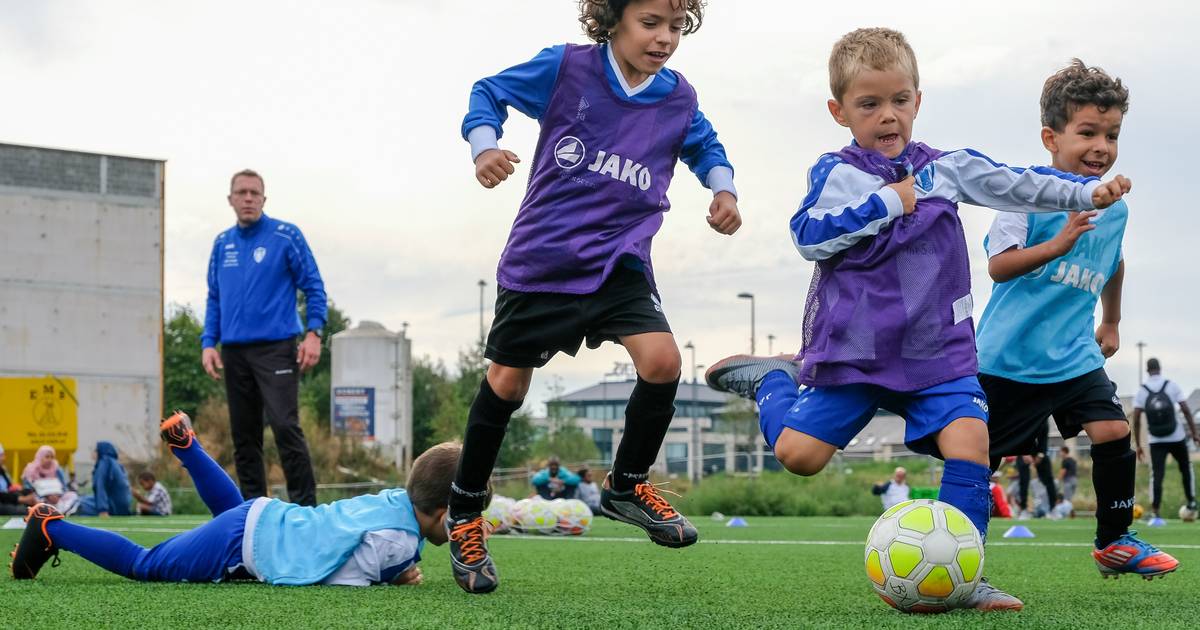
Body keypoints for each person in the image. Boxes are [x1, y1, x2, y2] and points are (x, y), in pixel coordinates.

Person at [706, 28, 1129, 612]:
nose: (888, 115)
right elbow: (808, 236)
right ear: (840, 111)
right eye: (869, 104)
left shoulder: (945, 169)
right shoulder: (837, 174)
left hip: (938, 351)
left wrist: (1088, 194)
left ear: (918, 102)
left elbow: (1015, 181)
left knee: (971, 440)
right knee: (799, 458)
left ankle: (966, 573)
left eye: (900, 101)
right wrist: (889, 202)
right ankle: (775, 381)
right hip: (858, 352)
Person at [447, 0, 741, 594]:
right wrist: (484, 146)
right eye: (650, 23)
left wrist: (724, 189)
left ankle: (627, 486)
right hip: (544, 259)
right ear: (613, 19)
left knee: (663, 361)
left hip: (619, 260)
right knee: (508, 384)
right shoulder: (567, 69)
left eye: (676, 28)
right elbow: (488, 91)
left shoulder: (677, 97)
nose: (664, 38)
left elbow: (705, 145)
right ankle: (464, 515)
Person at [973, 59, 1177, 579]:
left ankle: (1114, 542)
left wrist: (1111, 322)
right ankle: (959, 555)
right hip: (1007, 359)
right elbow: (999, 267)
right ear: (1051, 137)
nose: (1101, 147)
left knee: (1112, 431)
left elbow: (1115, 260)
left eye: (1111, 135)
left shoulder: (1116, 208)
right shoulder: (1022, 193)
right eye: (1087, 132)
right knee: (977, 459)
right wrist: (1059, 242)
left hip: (1073, 356)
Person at [11, 412, 454, 588]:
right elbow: (345, 572)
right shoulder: (399, 542)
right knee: (143, 565)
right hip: (245, 543)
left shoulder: (397, 499)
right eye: (463, 518)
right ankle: (52, 528)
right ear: (441, 511)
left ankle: (186, 445)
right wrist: (392, 577)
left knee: (235, 512)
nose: (464, 529)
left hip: (266, 518)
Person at [201, 169, 326, 507]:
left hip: (276, 349)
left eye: (254, 193)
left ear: (264, 199)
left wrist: (314, 333)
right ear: (230, 199)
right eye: (241, 193)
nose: (248, 198)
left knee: (285, 427)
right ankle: (253, 513)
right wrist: (208, 342)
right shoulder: (221, 243)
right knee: (244, 437)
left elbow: (313, 286)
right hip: (234, 351)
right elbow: (214, 297)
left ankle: (306, 509)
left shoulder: (285, 236)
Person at [1132, 358, 1198, 519]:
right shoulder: (1171, 386)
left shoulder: (1142, 391)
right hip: (1176, 436)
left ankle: (1155, 511)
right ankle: (1191, 502)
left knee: (1157, 474)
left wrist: (1139, 444)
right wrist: (1195, 433)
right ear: (1160, 368)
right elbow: (1186, 409)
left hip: (1156, 439)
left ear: (1147, 370)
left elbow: (1136, 418)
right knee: (1185, 468)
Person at [76, 441, 133, 517]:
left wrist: (103, 510)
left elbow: (101, 486)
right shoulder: (115, 463)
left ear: (100, 451)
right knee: (85, 498)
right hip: (122, 507)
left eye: (95, 450)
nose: (93, 452)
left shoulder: (104, 462)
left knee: (79, 503)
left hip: (112, 507)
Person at [1, 443, 37, 516]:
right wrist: (21, 499)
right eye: (0, 456)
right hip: (2, 502)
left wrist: (23, 492)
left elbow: (9, 488)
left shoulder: (2, 470)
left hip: (6, 498)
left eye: (2, 455)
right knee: (22, 510)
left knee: (28, 492)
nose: (3, 458)